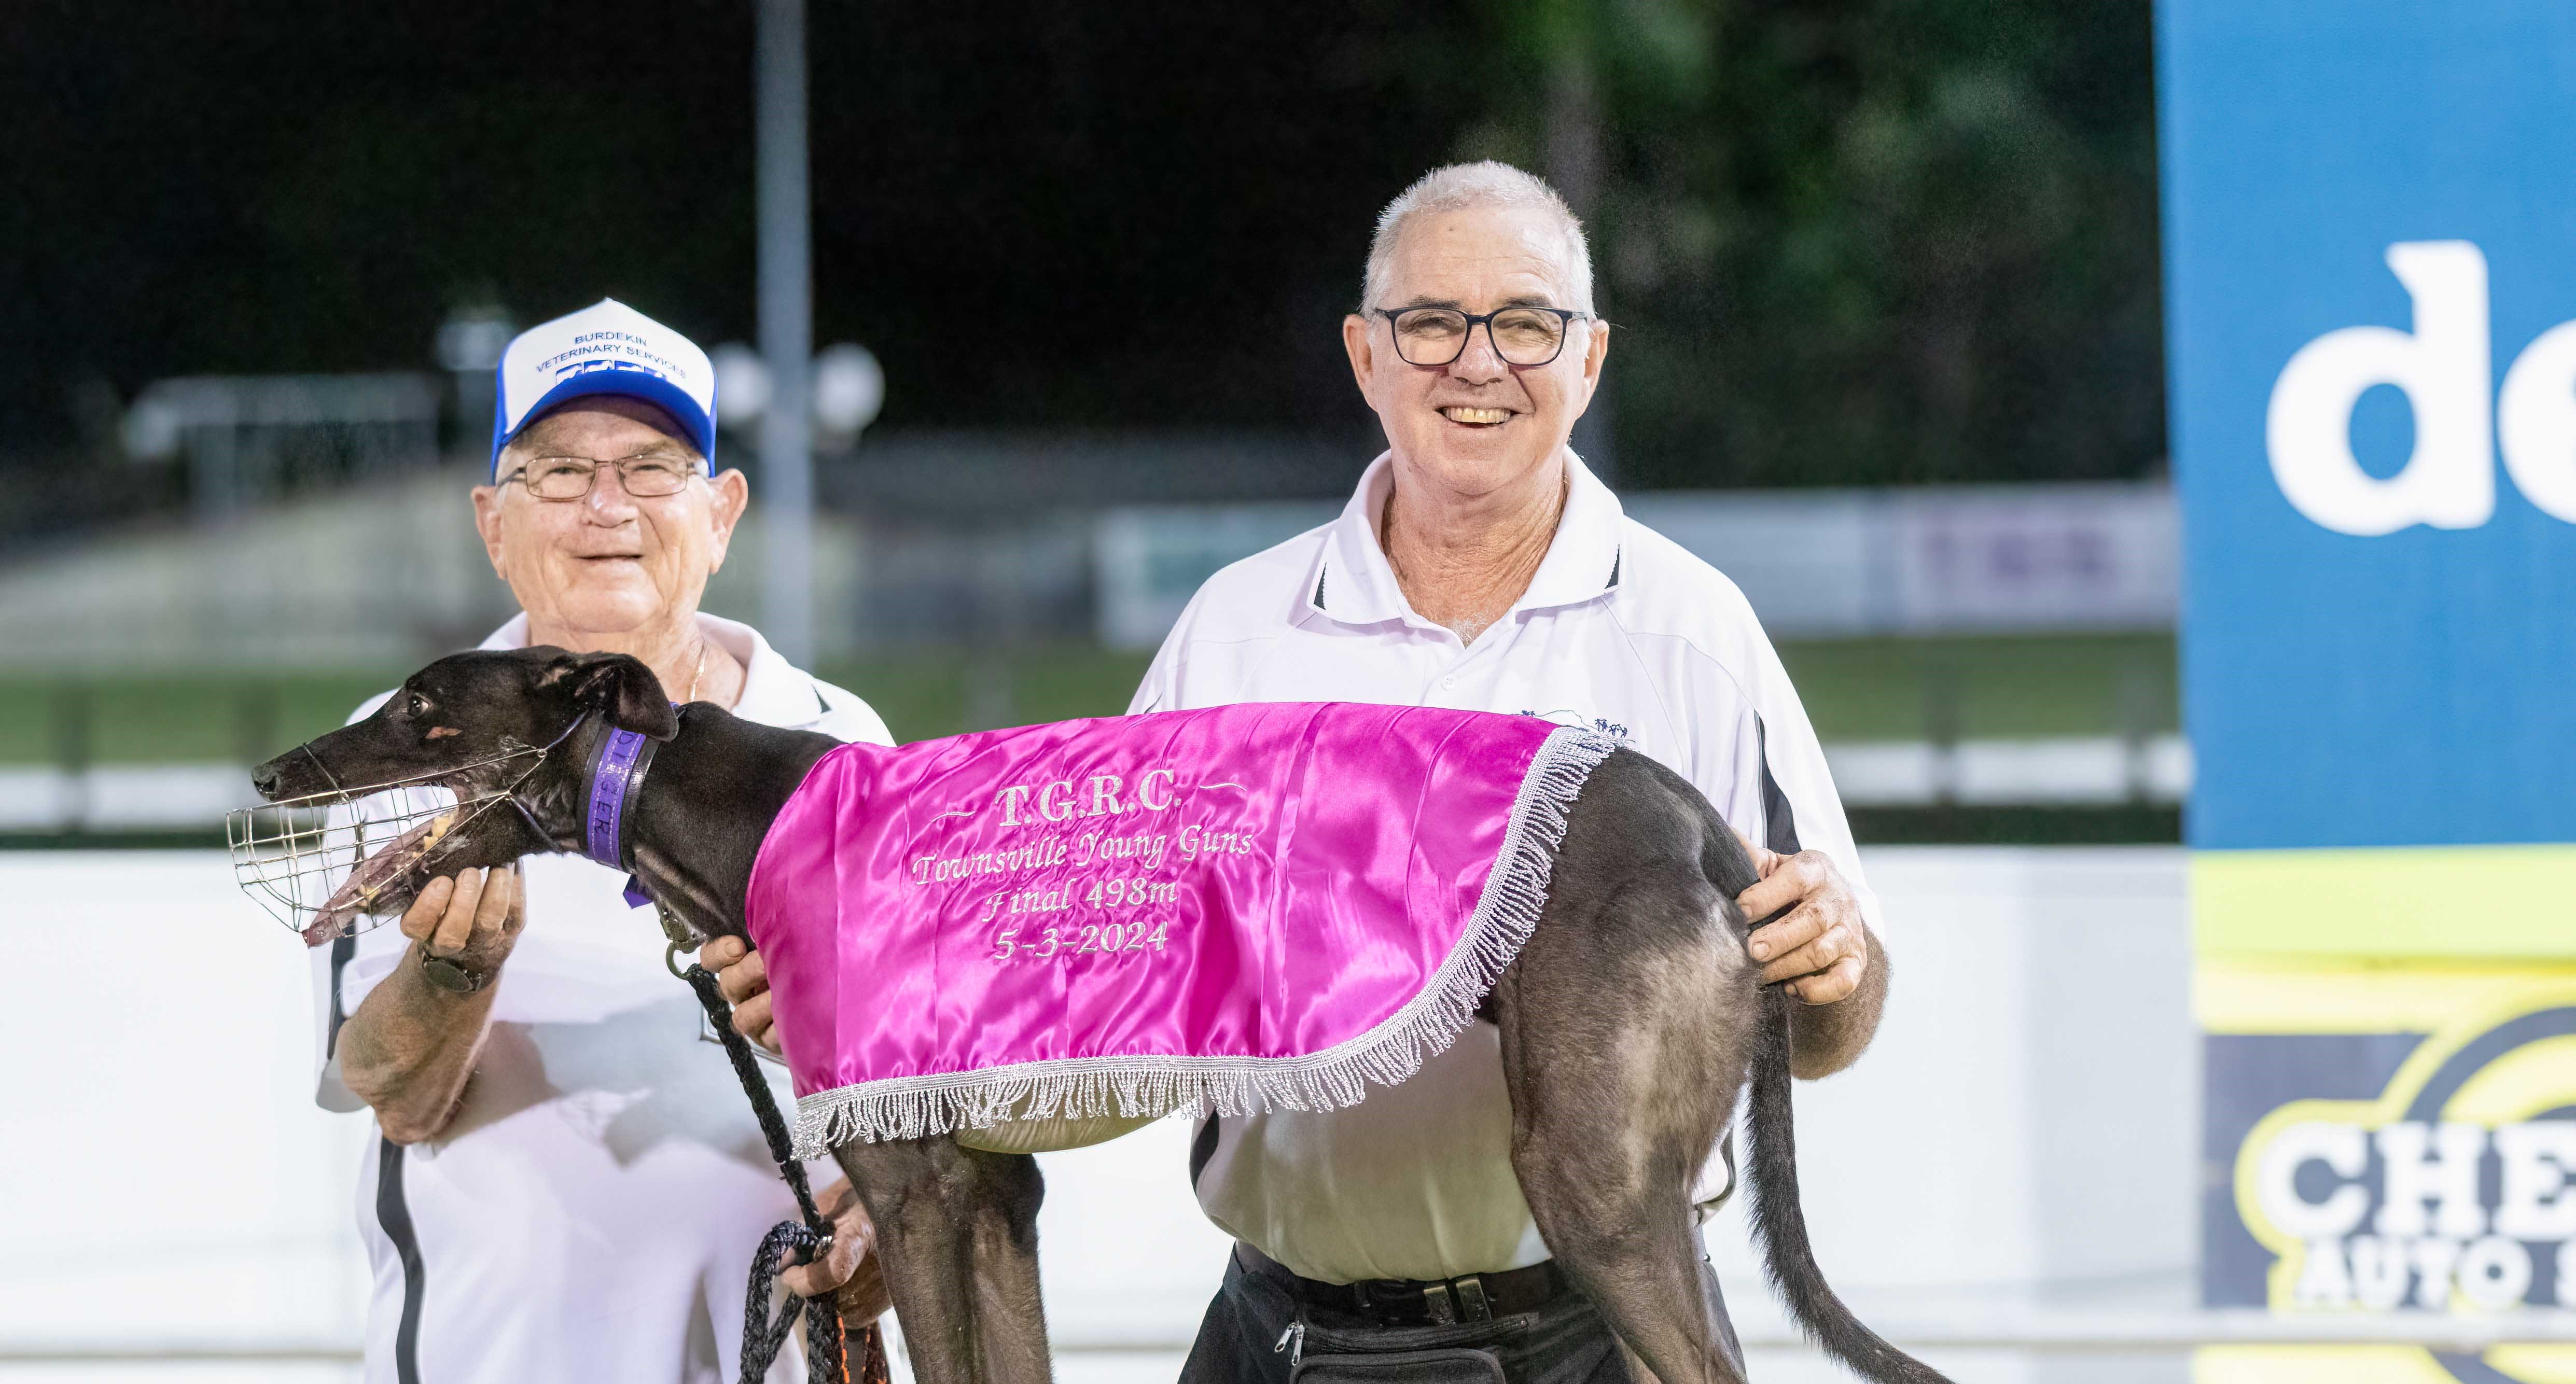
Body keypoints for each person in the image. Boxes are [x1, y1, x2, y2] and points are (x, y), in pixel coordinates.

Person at [705, 162, 1892, 1382]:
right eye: (1429, 323)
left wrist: (1830, 966)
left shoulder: (1693, 633)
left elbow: (1824, 1033)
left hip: (1595, 1340)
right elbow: (1090, 963)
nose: (1477, 363)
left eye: (1526, 323)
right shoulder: (1237, 632)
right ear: (1364, 356)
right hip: (1279, 1338)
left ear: (1588, 360)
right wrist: (849, 989)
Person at [307, 298, 894, 1384]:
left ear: (722, 514)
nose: (607, 505)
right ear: (494, 524)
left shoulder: (840, 744)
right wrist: (450, 973)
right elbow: (393, 1094)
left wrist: (878, 1232)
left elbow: (917, 1088)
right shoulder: (404, 748)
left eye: (653, 467)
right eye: (561, 473)